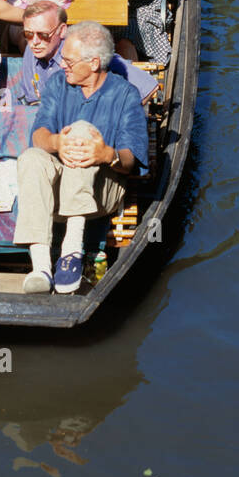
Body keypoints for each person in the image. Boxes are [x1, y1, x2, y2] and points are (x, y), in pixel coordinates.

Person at [13, 22, 148, 294]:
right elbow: (38, 135)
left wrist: (106, 154)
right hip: (57, 192)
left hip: (100, 192)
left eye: (70, 61)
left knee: (83, 131)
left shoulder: (124, 94)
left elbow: (130, 160)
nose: (63, 65)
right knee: (31, 157)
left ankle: (71, 251)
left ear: (94, 62)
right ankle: (40, 266)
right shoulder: (57, 84)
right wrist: (55, 142)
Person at [12, 0, 160, 107]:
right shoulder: (32, 51)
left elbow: (146, 86)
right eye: (29, 34)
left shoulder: (85, 50)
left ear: (62, 30)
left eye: (43, 35)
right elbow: (32, 101)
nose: (35, 41)